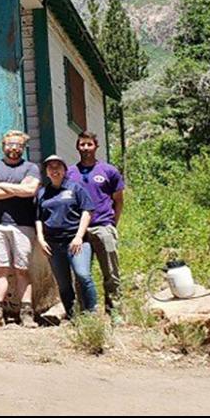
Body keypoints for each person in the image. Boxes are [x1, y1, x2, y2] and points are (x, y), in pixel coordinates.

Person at [0, 130, 40, 326]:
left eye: (18, 145)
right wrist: (17, 189)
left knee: (22, 270)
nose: (14, 148)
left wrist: (3, 186)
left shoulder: (30, 167)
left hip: (23, 225)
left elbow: (30, 190)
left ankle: (27, 314)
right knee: (1, 270)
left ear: (24, 148)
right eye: (10, 144)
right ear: (3, 146)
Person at [68, 131, 126, 318]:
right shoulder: (70, 173)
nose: (86, 148)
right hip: (79, 231)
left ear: (96, 146)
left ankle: (114, 310)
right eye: (82, 144)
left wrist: (112, 224)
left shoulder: (109, 171)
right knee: (81, 274)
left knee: (111, 272)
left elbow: (119, 200)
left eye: (89, 144)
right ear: (77, 147)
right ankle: (85, 312)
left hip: (103, 226)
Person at [36, 154, 97, 319]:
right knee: (63, 283)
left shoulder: (75, 188)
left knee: (83, 275)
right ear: (46, 172)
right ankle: (72, 316)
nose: (54, 170)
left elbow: (87, 211)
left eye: (58, 166)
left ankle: (92, 314)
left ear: (64, 170)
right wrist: (41, 239)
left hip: (76, 241)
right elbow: (38, 218)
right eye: (50, 167)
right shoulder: (42, 193)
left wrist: (79, 237)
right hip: (53, 244)